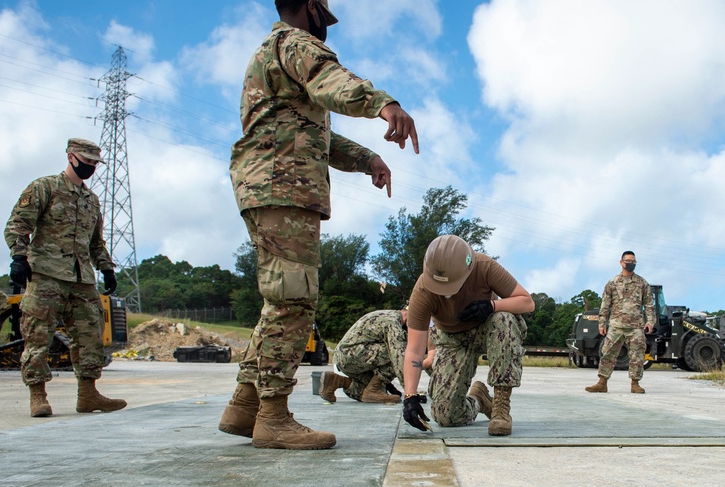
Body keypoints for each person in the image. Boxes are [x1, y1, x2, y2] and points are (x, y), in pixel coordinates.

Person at [219, 0, 419, 449]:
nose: (325, 29)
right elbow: (330, 80)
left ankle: (245, 405)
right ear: (311, 7)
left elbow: (317, 137)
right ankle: (273, 417)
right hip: (282, 189)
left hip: (272, 187)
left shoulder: (273, 56)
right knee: (294, 302)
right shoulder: (293, 43)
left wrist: (366, 159)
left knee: (280, 300)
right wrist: (385, 104)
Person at [3, 138, 125, 418]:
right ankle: (38, 396)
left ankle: (88, 394)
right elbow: (18, 224)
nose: (91, 167)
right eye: (87, 161)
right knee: (38, 335)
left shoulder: (91, 201)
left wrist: (106, 267)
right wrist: (19, 257)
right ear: (71, 157)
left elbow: (96, 242)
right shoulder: (44, 187)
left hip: (82, 278)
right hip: (47, 274)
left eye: (95, 163)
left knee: (90, 335)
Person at [401, 235, 534, 436]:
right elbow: (414, 349)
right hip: (452, 339)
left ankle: (500, 409)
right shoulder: (422, 290)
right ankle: (479, 400)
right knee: (445, 416)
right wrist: (409, 395)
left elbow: (526, 302)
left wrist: (491, 306)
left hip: (488, 330)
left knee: (504, 319)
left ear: (468, 269)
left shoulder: (484, 266)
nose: (446, 294)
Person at [584, 251, 656, 394]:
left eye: (634, 262)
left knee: (637, 355)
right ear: (621, 262)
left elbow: (648, 305)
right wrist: (602, 324)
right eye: (628, 261)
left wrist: (650, 322)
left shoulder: (642, 283)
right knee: (607, 353)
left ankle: (635, 384)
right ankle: (602, 383)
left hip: (636, 326)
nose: (631, 264)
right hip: (616, 325)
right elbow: (605, 305)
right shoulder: (613, 283)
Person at [319, 309, 407, 404]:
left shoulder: (391, 315)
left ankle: (336, 381)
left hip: (350, 357)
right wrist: (410, 393)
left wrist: (389, 385)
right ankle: (373, 389)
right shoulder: (393, 322)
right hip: (351, 355)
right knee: (401, 350)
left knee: (367, 393)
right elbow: (399, 358)